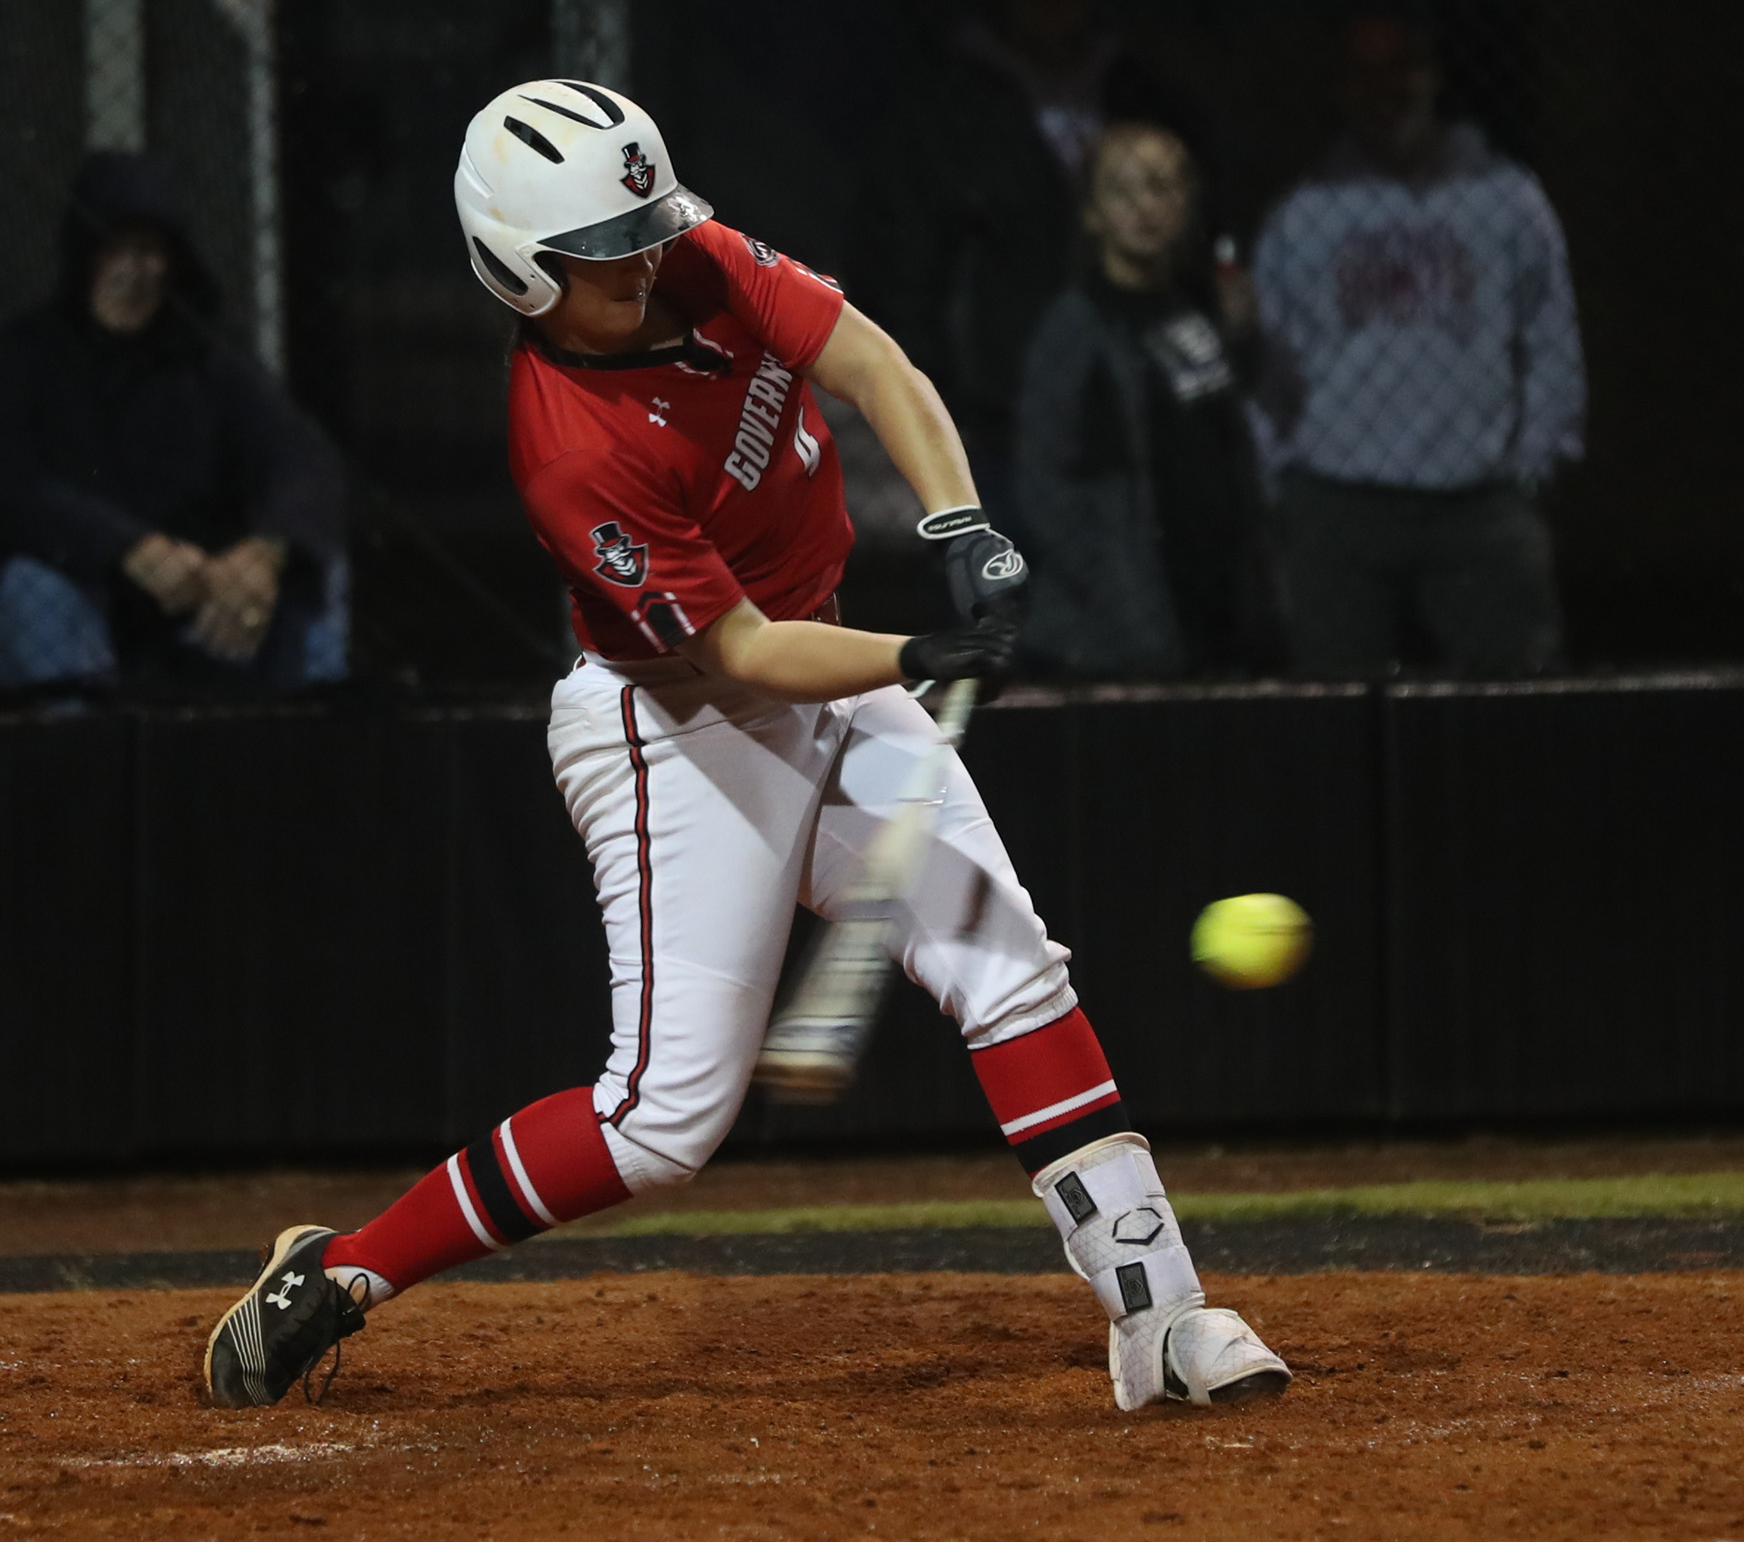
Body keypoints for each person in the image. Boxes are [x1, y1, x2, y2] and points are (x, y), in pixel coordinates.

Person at [201, 80, 1290, 1416]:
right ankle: (344, 1273)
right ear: (518, 277)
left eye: (648, 231)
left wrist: (959, 529)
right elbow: (745, 656)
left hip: (822, 663)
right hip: (678, 727)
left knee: (1006, 960)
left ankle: (1161, 1318)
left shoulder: (694, 258)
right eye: (606, 261)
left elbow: (871, 361)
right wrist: (917, 659)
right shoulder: (568, 449)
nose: (648, 264)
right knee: (662, 1125)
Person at [1250, 15, 1586, 675]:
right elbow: (1270, 364)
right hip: (1336, 492)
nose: (1386, 88)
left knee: (1511, 701)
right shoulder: (1305, 213)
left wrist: (1533, 463)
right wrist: (1282, 480)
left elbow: (1550, 340)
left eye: (1401, 66)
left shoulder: (1504, 198)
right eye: (1365, 72)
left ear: (1433, 76)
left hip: (1476, 493)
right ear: (1342, 89)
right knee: (1337, 709)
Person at [851, 0, 1198, 534]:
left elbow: (1191, 222)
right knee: (1009, 580)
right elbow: (904, 255)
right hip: (995, 400)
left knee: (1124, 565)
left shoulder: (1132, 86)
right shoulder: (951, 99)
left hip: (1127, 380)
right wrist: (931, 388)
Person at [0, 152, 347, 696]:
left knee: (314, 576)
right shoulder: (28, 356)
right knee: (31, 591)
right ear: (84, 258)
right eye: (114, 250)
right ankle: (71, 768)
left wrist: (263, 555)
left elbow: (299, 455)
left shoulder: (207, 358)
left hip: (200, 600)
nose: (133, 271)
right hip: (86, 587)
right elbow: (8, 479)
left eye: (148, 251)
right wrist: (128, 549)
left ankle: (306, 754)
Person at [1015, 123, 1276, 676]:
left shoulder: (1189, 311)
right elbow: (1042, 480)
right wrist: (1115, 588)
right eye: (1123, 191)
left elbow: (1218, 433)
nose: (1145, 207)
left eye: (1162, 187)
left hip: (1210, 602)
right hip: (1125, 622)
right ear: (1092, 213)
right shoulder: (1074, 327)